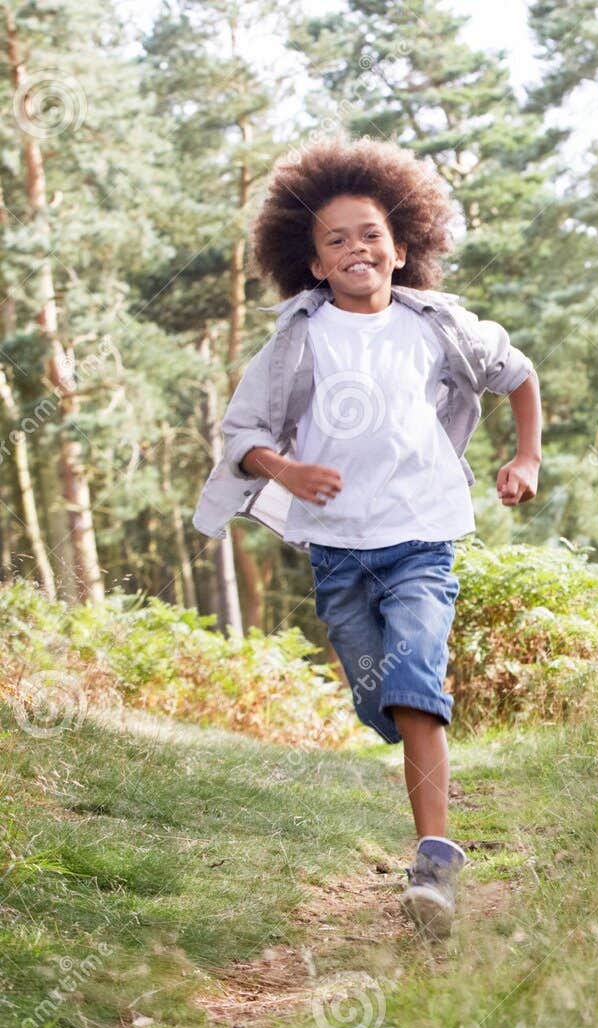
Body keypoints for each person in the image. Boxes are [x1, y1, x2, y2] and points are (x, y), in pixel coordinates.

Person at [191, 136, 543, 939]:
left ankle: (435, 858)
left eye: (371, 233)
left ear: (402, 245)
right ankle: (409, 720)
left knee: (416, 677)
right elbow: (241, 432)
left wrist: (525, 456)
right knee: (378, 699)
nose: (357, 248)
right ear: (313, 263)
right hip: (339, 547)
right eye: (336, 240)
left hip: (423, 533)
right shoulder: (297, 339)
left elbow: (517, 373)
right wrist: (284, 469)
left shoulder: (435, 325)